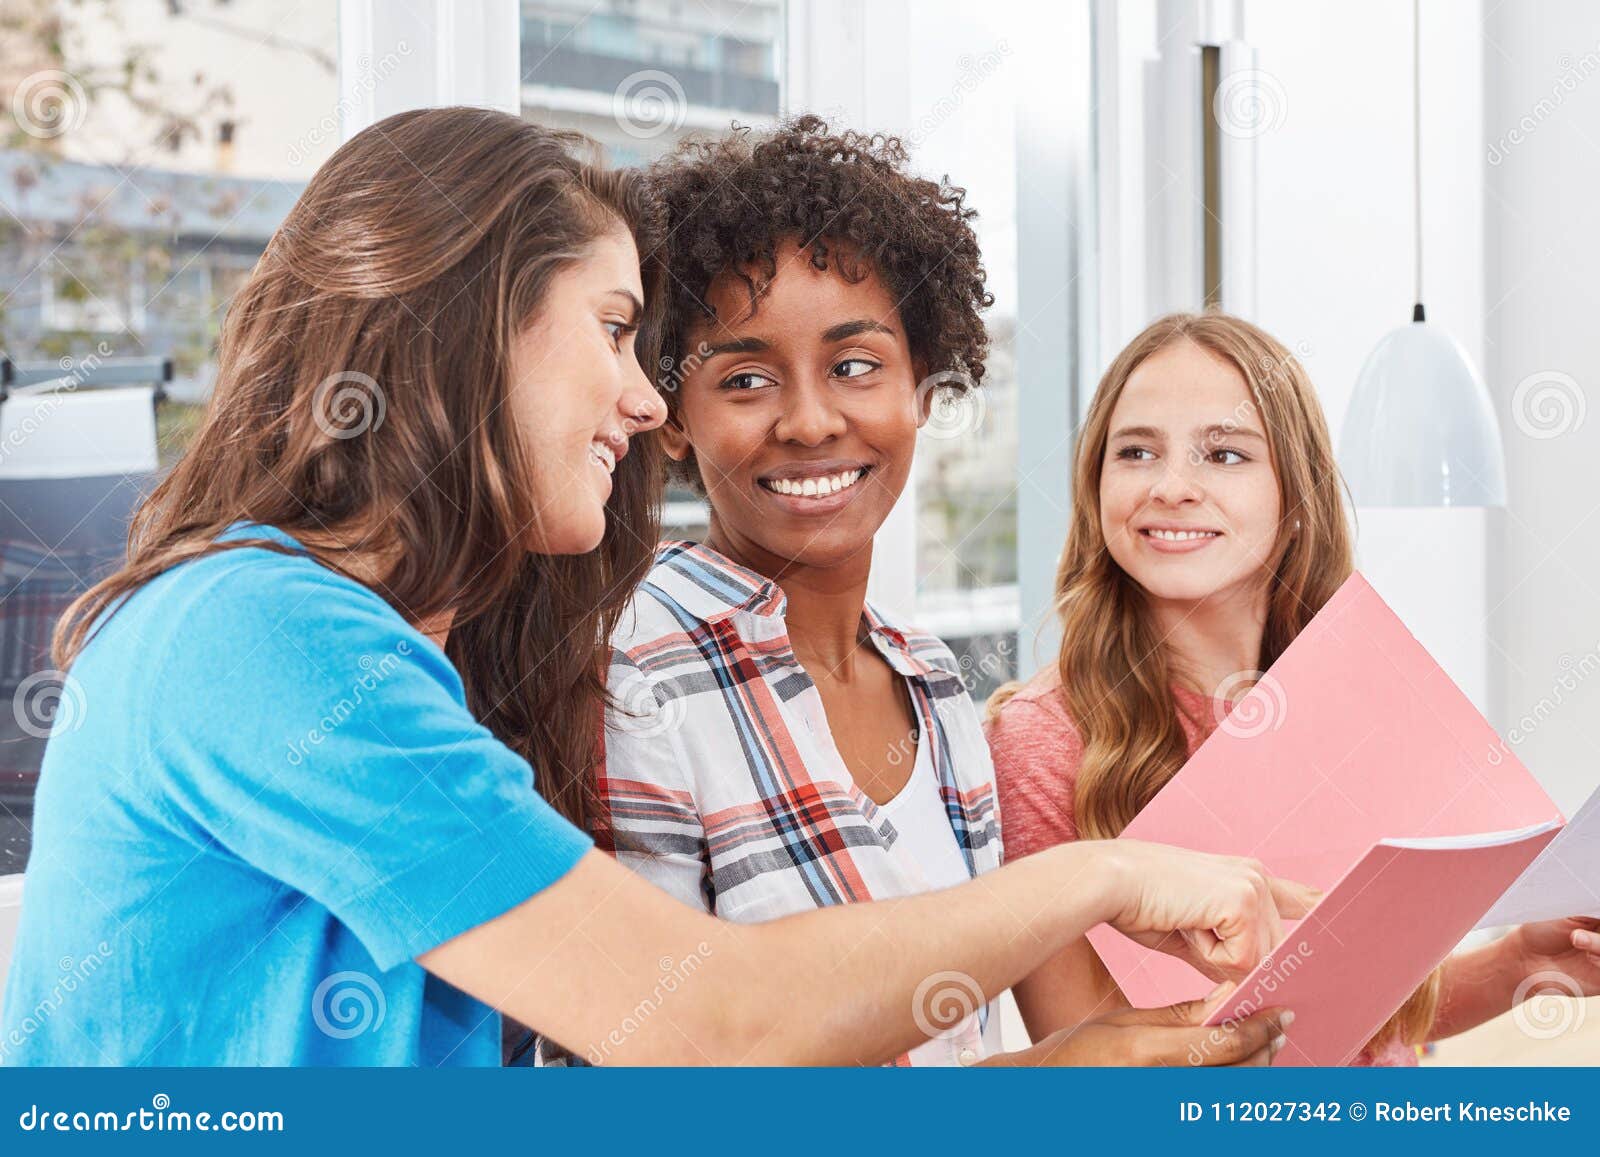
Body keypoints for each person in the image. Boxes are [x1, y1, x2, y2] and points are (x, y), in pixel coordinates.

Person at [0, 110, 1307, 1068]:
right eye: (619, 331)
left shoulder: (372, 655)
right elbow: (706, 1018)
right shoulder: (258, 637)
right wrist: (1102, 878)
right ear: (475, 323)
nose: (642, 397)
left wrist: (1051, 1079)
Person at [573, 116, 1285, 1067]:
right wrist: (1067, 1070)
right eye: (745, 377)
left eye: (856, 366)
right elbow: (661, 1073)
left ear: (923, 387)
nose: (812, 418)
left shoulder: (935, 692)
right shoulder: (634, 670)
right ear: (670, 419)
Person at [985, 310, 1600, 1064]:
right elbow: (1093, 1067)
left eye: (1224, 453)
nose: (1172, 486)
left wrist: (1526, 964)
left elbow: (1366, 1019)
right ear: (1096, 485)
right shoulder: (1043, 741)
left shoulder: (1356, 693)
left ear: (1295, 494)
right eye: (1137, 450)